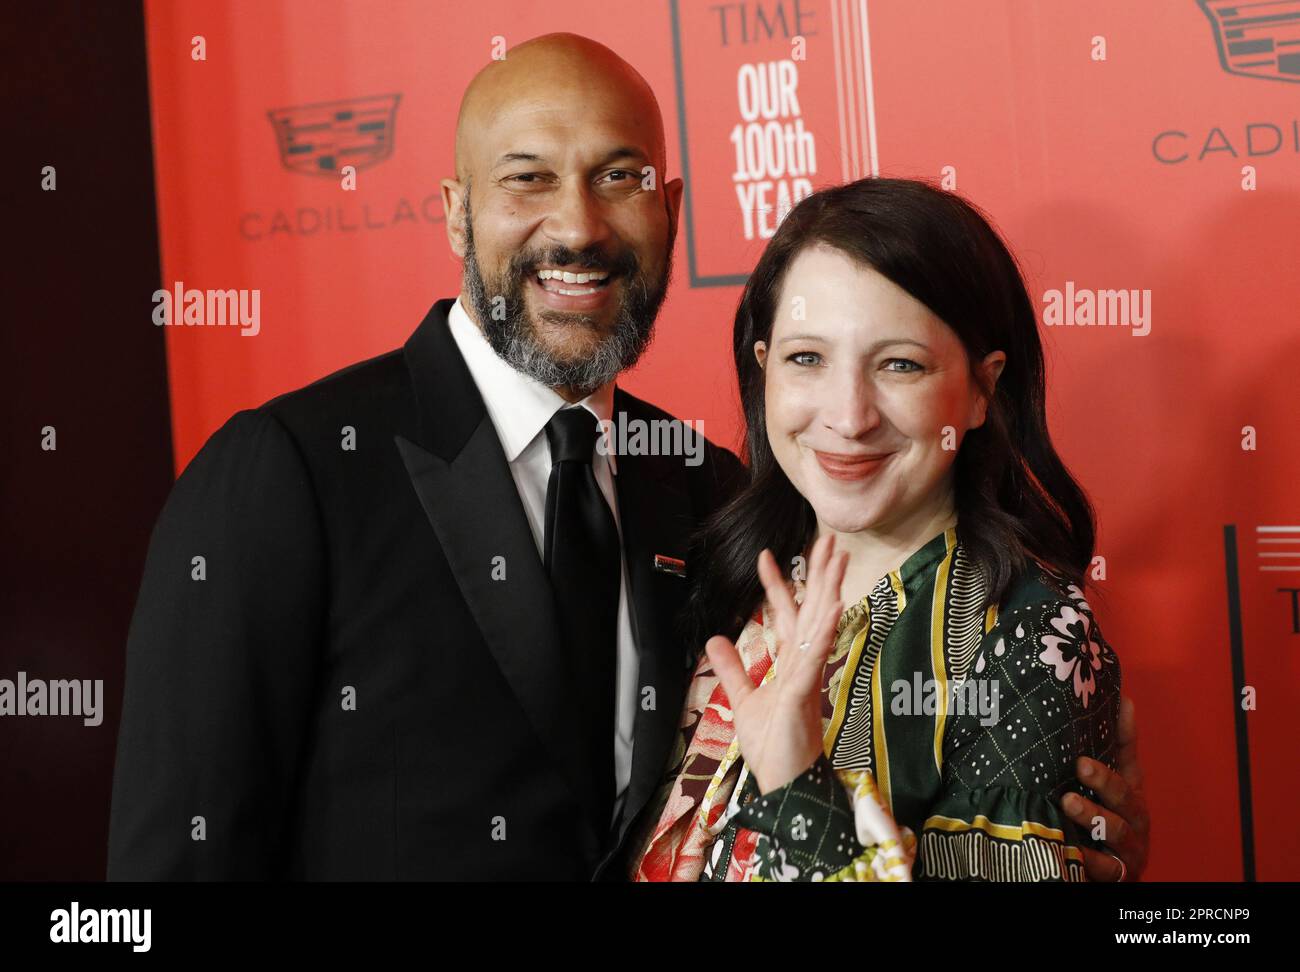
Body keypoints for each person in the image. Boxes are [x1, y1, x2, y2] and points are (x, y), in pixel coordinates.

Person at [108, 33, 1149, 882]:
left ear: (671, 211)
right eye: (528, 179)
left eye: (619, 177)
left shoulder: (714, 497)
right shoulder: (288, 471)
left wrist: (1049, 848)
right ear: (456, 212)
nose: (578, 225)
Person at [632, 178, 1149, 881]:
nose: (849, 416)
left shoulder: (1028, 633)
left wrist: (796, 792)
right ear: (764, 372)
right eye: (806, 358)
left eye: (900, 364)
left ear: (981, 391)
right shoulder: (721, 559)